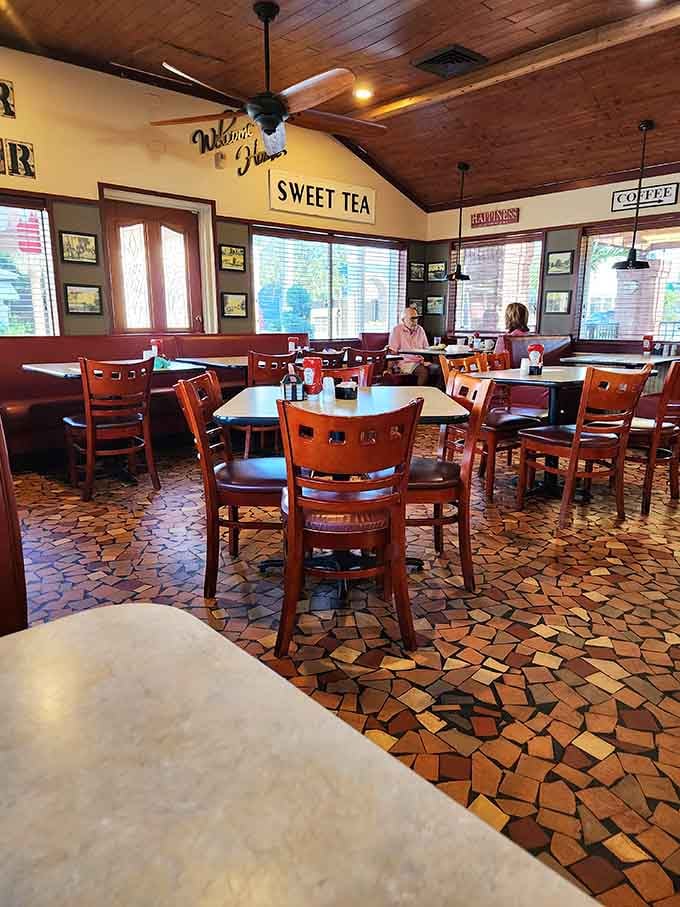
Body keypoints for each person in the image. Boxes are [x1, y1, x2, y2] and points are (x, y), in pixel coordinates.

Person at [388, 305, 433, 386]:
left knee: (438, 369)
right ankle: (418, 393)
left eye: (416, 318)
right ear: (403, 320)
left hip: (420, 362)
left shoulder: (420, 330)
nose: (415, 321)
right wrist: (389, 369)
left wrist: (425, 361)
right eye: (412, 318)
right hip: (404, 363)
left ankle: (434, 392)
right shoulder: (396, 330)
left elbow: (426, 348)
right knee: (423, 372)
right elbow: (393, 351)